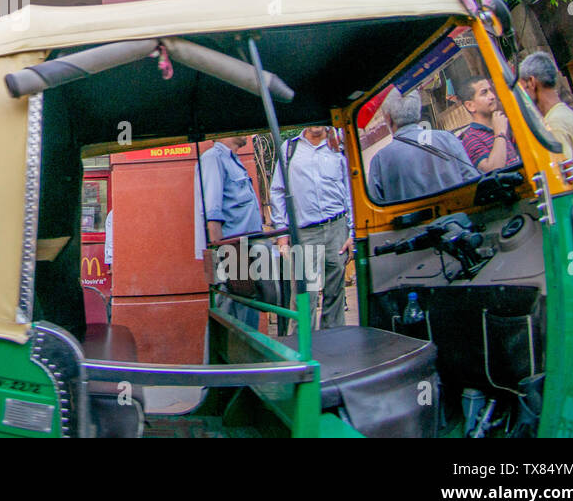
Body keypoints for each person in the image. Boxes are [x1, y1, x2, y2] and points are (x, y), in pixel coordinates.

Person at [517, 51, 573, 240]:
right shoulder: (566, 114)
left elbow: (562, 183)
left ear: (532, 82)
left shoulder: (554, 125)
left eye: (522, 87)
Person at [270, 126, 354, 329]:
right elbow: (277, 191)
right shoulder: (289, 148)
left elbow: (350, 188)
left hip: (337, 228)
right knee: (304, 298)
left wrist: (352, 232)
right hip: (304, 233)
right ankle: (303, 352)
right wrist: (282, 234)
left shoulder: (338, 145)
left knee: (335, 294)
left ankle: (334, 348)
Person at [195, 135, 264, 327]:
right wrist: (223, 263)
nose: (246, 133)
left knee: (247, 322)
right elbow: (212, 214)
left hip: (246, 254)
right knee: (231, 326)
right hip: (233, 255)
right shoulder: (213, 158)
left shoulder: (233, 160)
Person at [367, 89, 480, 203]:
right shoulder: (447, 139)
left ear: (388, 118)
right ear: (418, 111)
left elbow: (376, 206)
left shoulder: (380, 160)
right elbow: (472, 180)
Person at [457, 75, 517, 172]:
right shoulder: (470, 138)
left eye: (491, 90)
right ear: (470, 105)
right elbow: (493, 170)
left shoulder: (502, 123)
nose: (492, 96)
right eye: (484, 93)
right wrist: (500, 134)